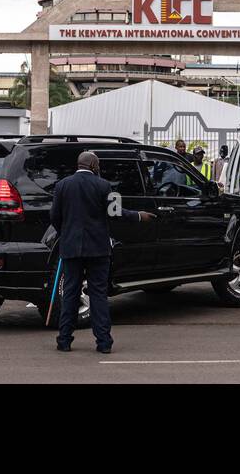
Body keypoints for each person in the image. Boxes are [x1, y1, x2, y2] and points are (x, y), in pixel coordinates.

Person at [49, 151, 154, 354]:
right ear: (94, 166)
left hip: (71, 248)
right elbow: (116, 214)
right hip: (98, 249)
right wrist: (139, 216)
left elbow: (54, 216)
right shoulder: (104, 186)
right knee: (98, 294)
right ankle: (103, 342)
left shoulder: (62, 185)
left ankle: (64, 340)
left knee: (70, 294)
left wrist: (67, 234)